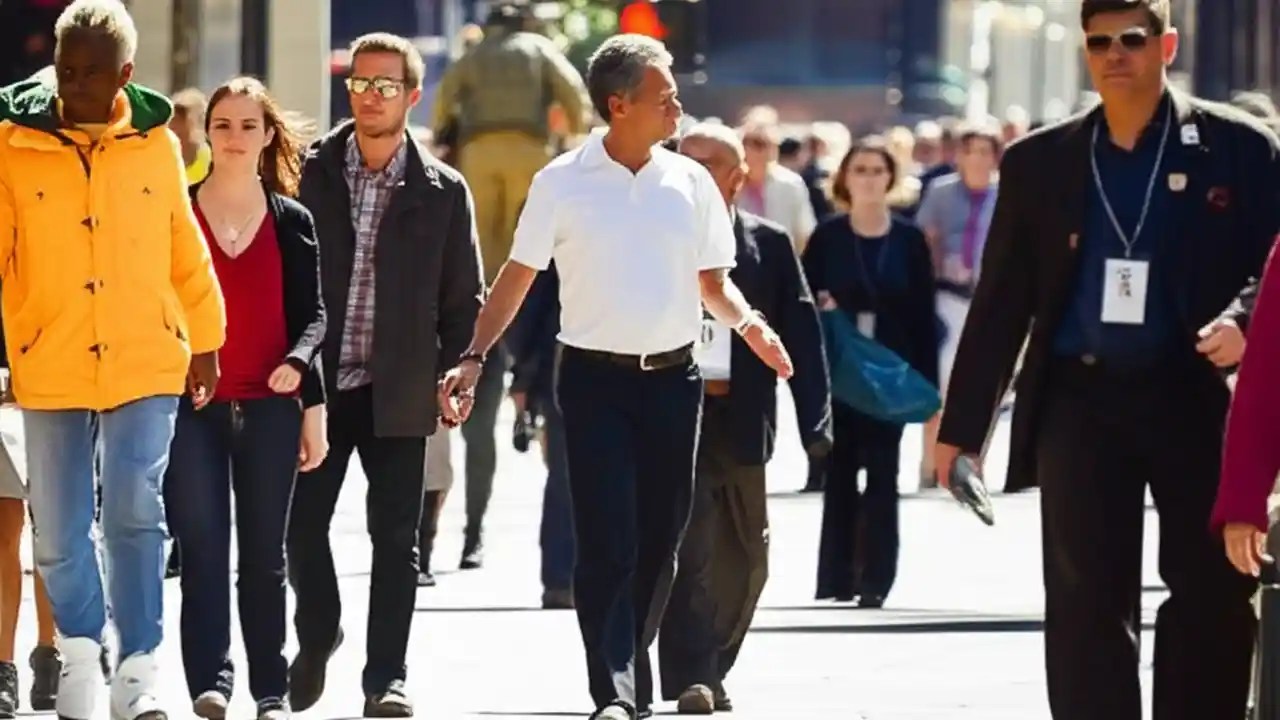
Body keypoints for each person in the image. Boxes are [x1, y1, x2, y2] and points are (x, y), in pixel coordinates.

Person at [933, 1, 1280, 718]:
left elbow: (1272, 266)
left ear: (1167, 44)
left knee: (1212, 585)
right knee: (1085, 593)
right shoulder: (1040, 160)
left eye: (1131, 39)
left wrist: (1244, 319)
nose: (1114, 55)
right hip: (1080, 401)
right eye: (1099, 44)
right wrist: (962, 430)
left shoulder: (1239, 148)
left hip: (1196, 393)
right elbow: (1001, 300)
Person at [437, 34, 793, 720]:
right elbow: (517, 276)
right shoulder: (560, 181)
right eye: (666, 98)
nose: (678, 108)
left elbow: (713, 282)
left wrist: (752, 326)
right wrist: (476, 356)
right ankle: (616, 690)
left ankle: (629, 662)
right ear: (619, 104)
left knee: (661, 535)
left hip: (673, 381)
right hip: (592, 383)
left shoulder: (690, 182)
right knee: (606, 540)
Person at [0, 1, 227, 718]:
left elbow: (183, 245)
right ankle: (79, 653)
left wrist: (208, 340)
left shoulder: (156, 145)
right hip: (50, 355)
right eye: (66, 69)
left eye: (93, 73)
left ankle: (137, 669)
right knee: (60, 527)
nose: (74, 86)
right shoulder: (11, 142)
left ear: (125, 74)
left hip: (146, 352)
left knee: (134, 505)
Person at [286, 32, 483, 716]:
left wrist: (463, 368)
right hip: (315, 388)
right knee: (300, 529)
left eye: (386, 86)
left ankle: (385, 681)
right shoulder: (306, 172)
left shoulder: (442, 192)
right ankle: (318, 633)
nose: (370, 96)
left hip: (398, 389)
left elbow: (464, 300)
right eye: (360, 84)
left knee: (397, 541)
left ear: (413, 95)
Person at [162, 77, 327, 720]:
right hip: (192, 409)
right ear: (207, 131)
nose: (234, 137)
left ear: (267, 135)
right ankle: (211, 682)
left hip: (270, 410)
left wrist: (302, 382)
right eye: (223, 124)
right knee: (202, 550)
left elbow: (313, 316)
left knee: (264, 557)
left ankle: (270, 689)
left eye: (248, 126)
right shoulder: (177, 213)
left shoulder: (293, 220)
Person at [656, 123, 831, 713]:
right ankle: (691, 676)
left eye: (710, 165)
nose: (693, 173)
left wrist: (816, 422)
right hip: (675, 412)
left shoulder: (768, 244)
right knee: (691, 549)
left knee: (747, 556)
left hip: (742, 416)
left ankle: (714, 664)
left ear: (737, 179)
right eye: (685, 160)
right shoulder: (649, 238)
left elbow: (802, 333)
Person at [431, 2, 589, 570]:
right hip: (527, 147)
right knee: (529, 241)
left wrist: (451, 132)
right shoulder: (541, 50)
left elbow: (447, 95)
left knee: (487, 240)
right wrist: (569, 134)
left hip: (479, 148)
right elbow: (571, 95)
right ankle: (520, 306)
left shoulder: (475, 53)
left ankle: (486, 302)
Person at [806, 137, 938, 606]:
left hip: (889, 372)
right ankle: (837, 579)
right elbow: (806, 302)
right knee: (839, 472)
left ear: (891, 178)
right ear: (844, 178)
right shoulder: (828, 236)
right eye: (858, 170)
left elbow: (925, 312)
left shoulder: (908, 239)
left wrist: (928, 383)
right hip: (841, 372)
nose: (868, 179)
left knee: (883, 474)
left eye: (877, 170)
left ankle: (876, 580)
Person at [914, 124, 1002, 489]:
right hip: (948, 295)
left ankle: (973, 464)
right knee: (940, 384)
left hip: (991, 298)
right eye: (971, 151)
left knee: (984, 386)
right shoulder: (940, 192)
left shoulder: (1007, 193)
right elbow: (927, 237)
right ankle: (930, 461)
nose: (978, 159)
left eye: (985, 151)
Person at [0, 414, 58, 717]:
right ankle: (3, 667)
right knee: (4, 534)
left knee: (49, 529)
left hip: (48, 393)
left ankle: (48, 652)